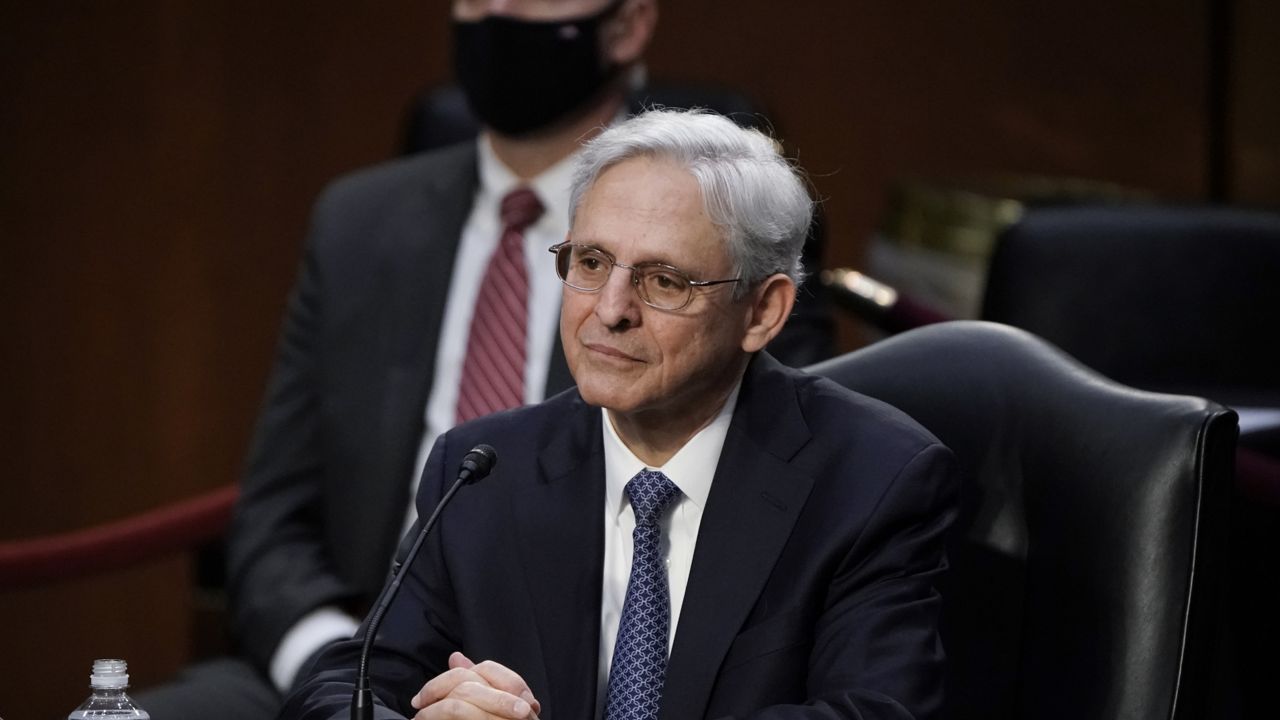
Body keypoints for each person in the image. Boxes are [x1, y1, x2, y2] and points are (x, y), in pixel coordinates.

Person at [137, 2, 832, 719]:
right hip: (357, 654)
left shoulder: (725, 236)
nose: (500, 14)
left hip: (580, 679)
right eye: (590, 262)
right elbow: (274, 514)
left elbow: (772, 495)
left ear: (627, 24)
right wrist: (346, 669)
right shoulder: (357, 223)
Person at [282, 109, 958, 720]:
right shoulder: (484, 469)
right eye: (591, 261)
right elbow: (350, 682)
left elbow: (873, 712)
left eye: (664, 281)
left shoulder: (874, 482)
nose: (609, 310)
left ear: (763, 312)